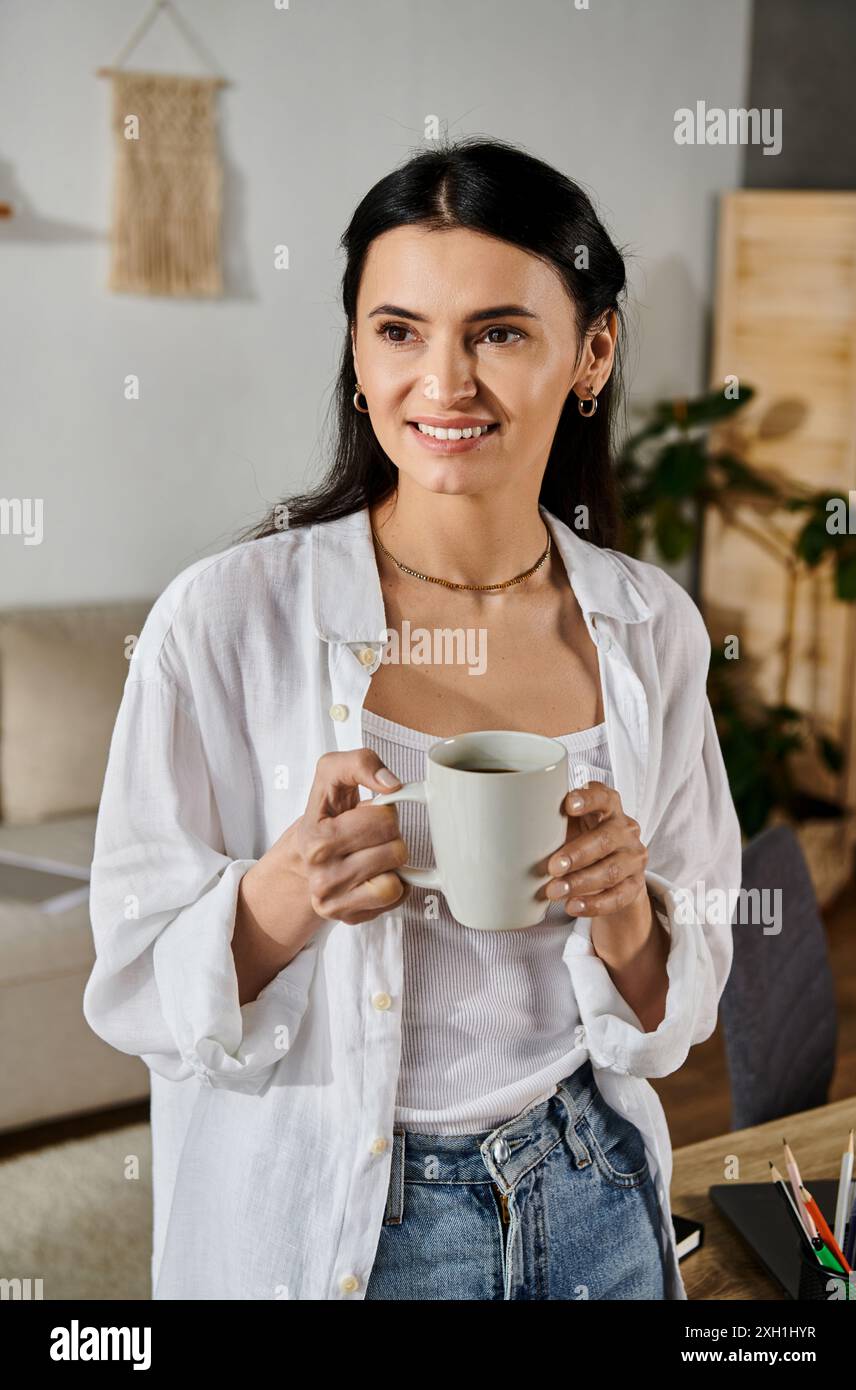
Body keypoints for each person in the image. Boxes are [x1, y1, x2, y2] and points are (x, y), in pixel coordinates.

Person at [83, 136, 742, 1301]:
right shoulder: (223, 622)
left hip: (590, 1192)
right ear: (354, 348)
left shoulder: (651, 627)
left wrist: (627, 916)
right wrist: (287, 892)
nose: (443, 385)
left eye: (496, 332)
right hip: (343, 1221)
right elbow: (134, 982)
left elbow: (672, 1002)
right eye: (398, 331)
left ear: (590, 352)